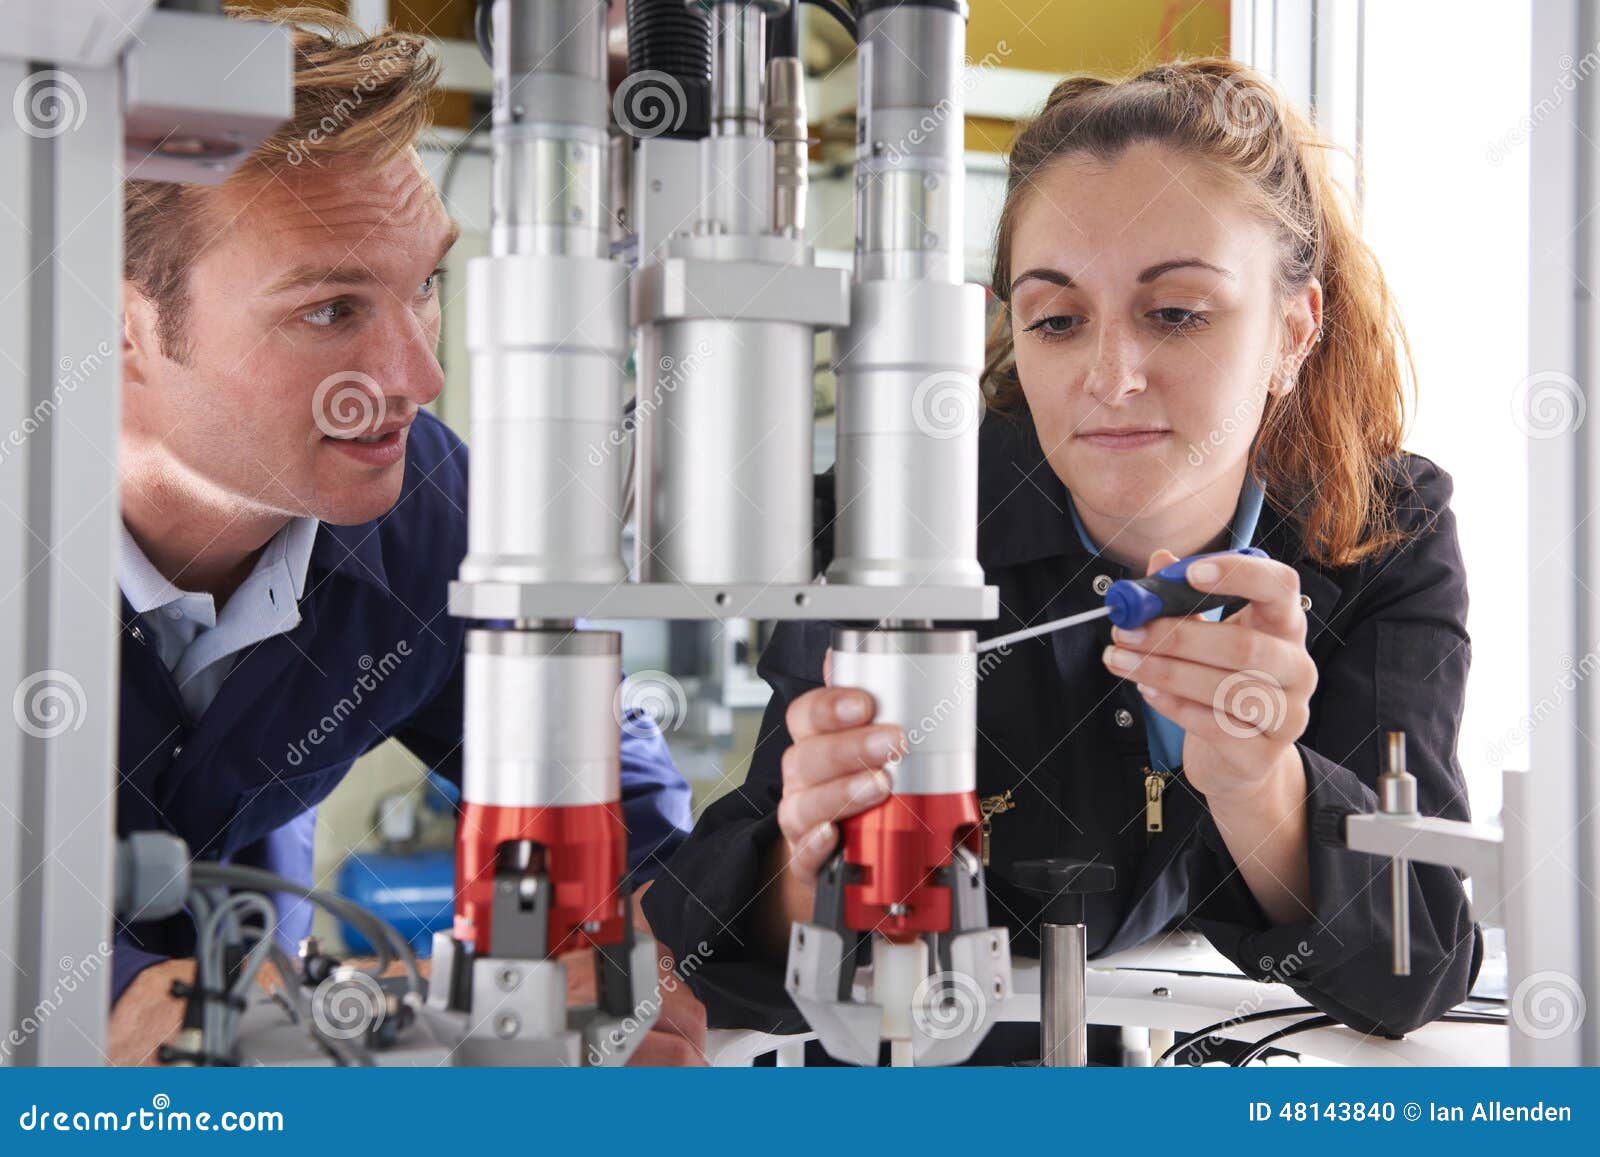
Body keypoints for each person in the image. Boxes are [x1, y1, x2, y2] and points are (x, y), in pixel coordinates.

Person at [643, 57, 1481, 1061]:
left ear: (1292, 330)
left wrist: (1259, 783)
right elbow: (721, 948)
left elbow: (1412, 964)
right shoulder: (912, 512)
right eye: (1056, 318)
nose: (1110, 376)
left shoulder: (1381, 526)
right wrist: (806, 852)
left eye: (1174, 312)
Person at [109, 8, 695, 1065]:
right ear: (119, 324)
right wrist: (113, 997)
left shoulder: (428, 506)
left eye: (424, 282)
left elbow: (605, 787)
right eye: (333, 309)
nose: (420, 379)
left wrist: (648, 937)